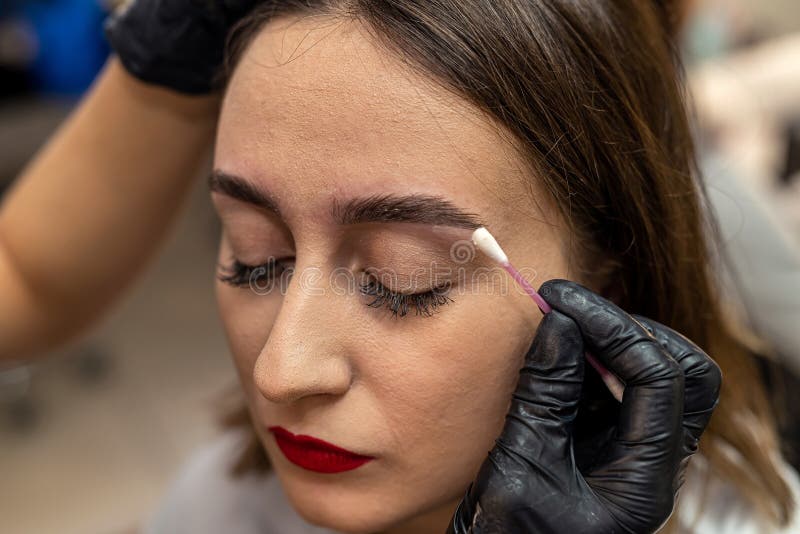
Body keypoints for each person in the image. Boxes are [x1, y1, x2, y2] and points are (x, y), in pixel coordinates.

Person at [0, 1, 786, 533]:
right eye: (254, 257)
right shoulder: (225, 498)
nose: (281, 370)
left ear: (606, 285)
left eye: (403, 279)